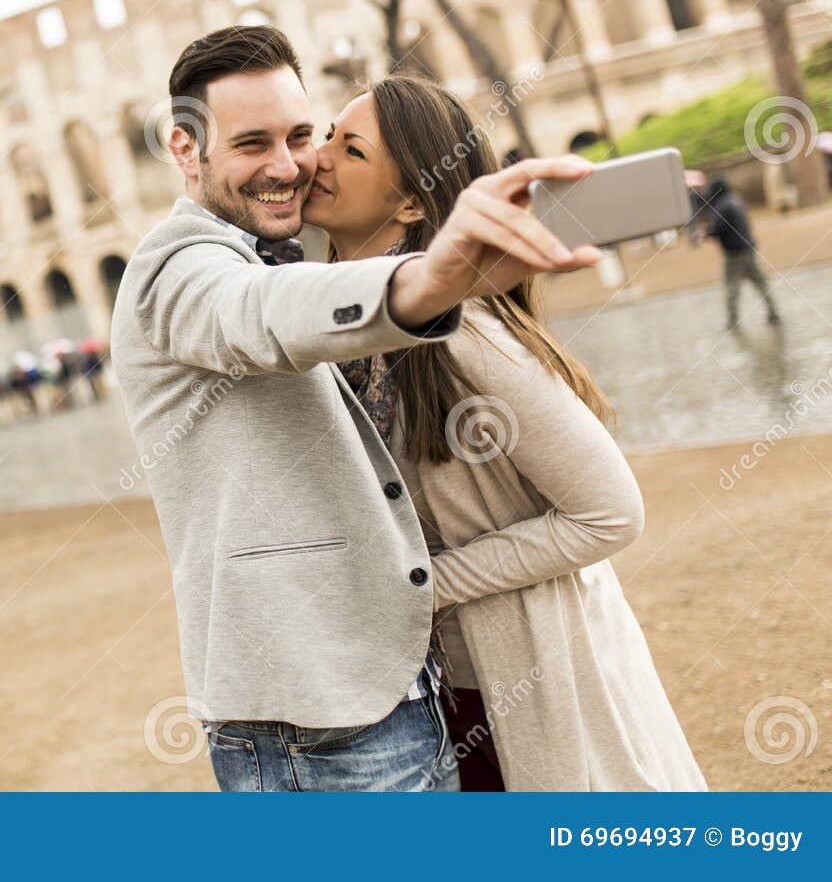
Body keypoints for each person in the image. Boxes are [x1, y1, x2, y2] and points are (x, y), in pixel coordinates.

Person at [109, 26, 600, 792]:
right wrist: (423, 279)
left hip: (391, 700)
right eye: (250, 144)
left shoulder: (286, 253)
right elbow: (260, 314)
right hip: (315, 729)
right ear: (184, 148)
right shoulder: (176, 271)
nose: (287, 166)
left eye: (302, 135)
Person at [301, 71, 707, 791]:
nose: (319, 155)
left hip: (524, 681)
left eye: (351, 148)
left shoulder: (466, 338)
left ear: (410, 202)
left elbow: (612, 513)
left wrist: (427, 584)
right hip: (442, 691)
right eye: (327, 133)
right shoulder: (342, 329)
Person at [698, 174, 781, 329]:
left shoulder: (722, 206)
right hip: (748, 248)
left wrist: (705, 233)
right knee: (760, 282)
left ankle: (732, 320)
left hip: (734, 252)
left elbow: (718, 229)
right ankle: (774, 313)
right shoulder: (737, 200)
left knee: (732, 286)